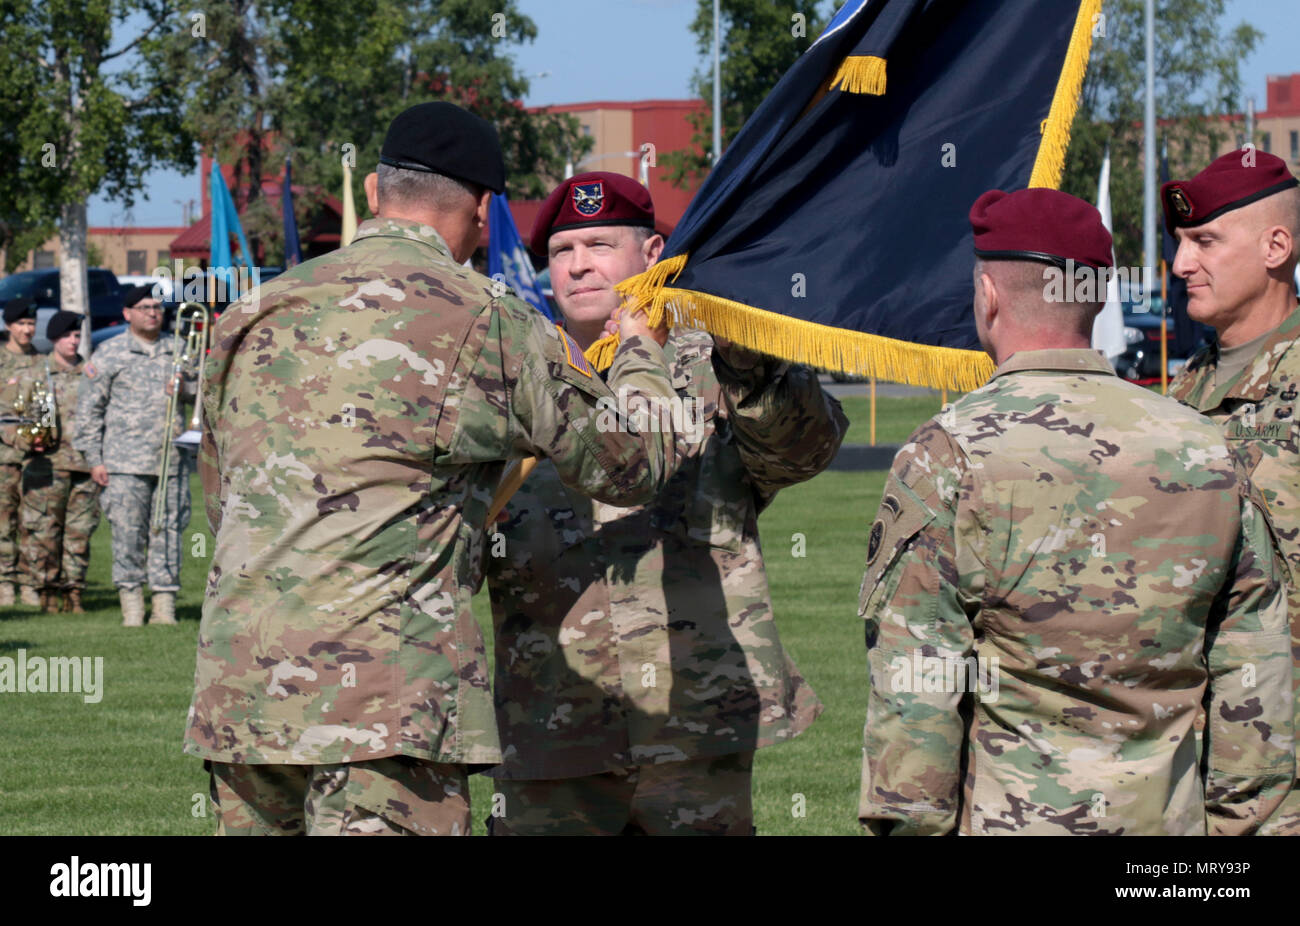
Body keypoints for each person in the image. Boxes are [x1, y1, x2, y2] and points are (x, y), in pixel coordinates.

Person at [184, 103, 687, 837]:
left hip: (242, 696)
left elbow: (222, 500)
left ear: (380, 192)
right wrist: (640, 348)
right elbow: (632, 464)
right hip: (385, 706)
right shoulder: (487, 317)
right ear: (484, 210)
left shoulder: (256, 311)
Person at [857, 187, 1294, 836]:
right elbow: (1255, 688)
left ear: (988, 295)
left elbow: (916, 693)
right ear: (1096, 300)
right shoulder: (1208, 450)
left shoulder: (949, 455)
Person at [480, 172, 847, 836]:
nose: (579, 265)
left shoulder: (714, 365)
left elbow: (805, 450)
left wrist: (752, 364)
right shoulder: (509, 377)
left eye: (599, 244)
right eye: (562, 251)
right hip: (552, 727)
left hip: (694, 724)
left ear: (652, 255)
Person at [1165, 149, 1300, 835]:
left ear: (1277, 246)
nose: (1183, 263)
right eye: (1182, 244)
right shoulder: (1180, 394)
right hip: (1190, 765)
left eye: (1204, 242)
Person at [75, 285, 193, 627]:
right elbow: (88, 411)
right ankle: (131, 606)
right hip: (123, 463)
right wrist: (94, 458)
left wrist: (185, 389)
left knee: (169, 531)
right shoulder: (109, 353)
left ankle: (164, 606)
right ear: (127, 313)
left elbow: (204, 395)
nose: (152, 313)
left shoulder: (180, 349)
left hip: (170, 461)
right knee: (128, 534)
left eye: (157, 307)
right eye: (144, 307)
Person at [19, 311, 101, 613]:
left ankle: (74, 592)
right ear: (54, 339)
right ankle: (47, 593)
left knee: (80, 532)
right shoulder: (38, 373)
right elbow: (24, 418)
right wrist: (30, 437)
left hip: (85, 464)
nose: (73, 341)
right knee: (44, 531)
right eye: (67, 336)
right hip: (47, 465)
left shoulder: (91, 373)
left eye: (77, 336)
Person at [0, 297, 48, 607]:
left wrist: (45, 432)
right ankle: (5, 583)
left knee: (34, 521)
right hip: (3, 456)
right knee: (3, 522)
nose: (28, 330)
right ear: (9, 326)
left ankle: (30, 584)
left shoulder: (42, 361)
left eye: (31, 324)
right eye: (22, 324)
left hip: (36, 455)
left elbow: (47, 404)